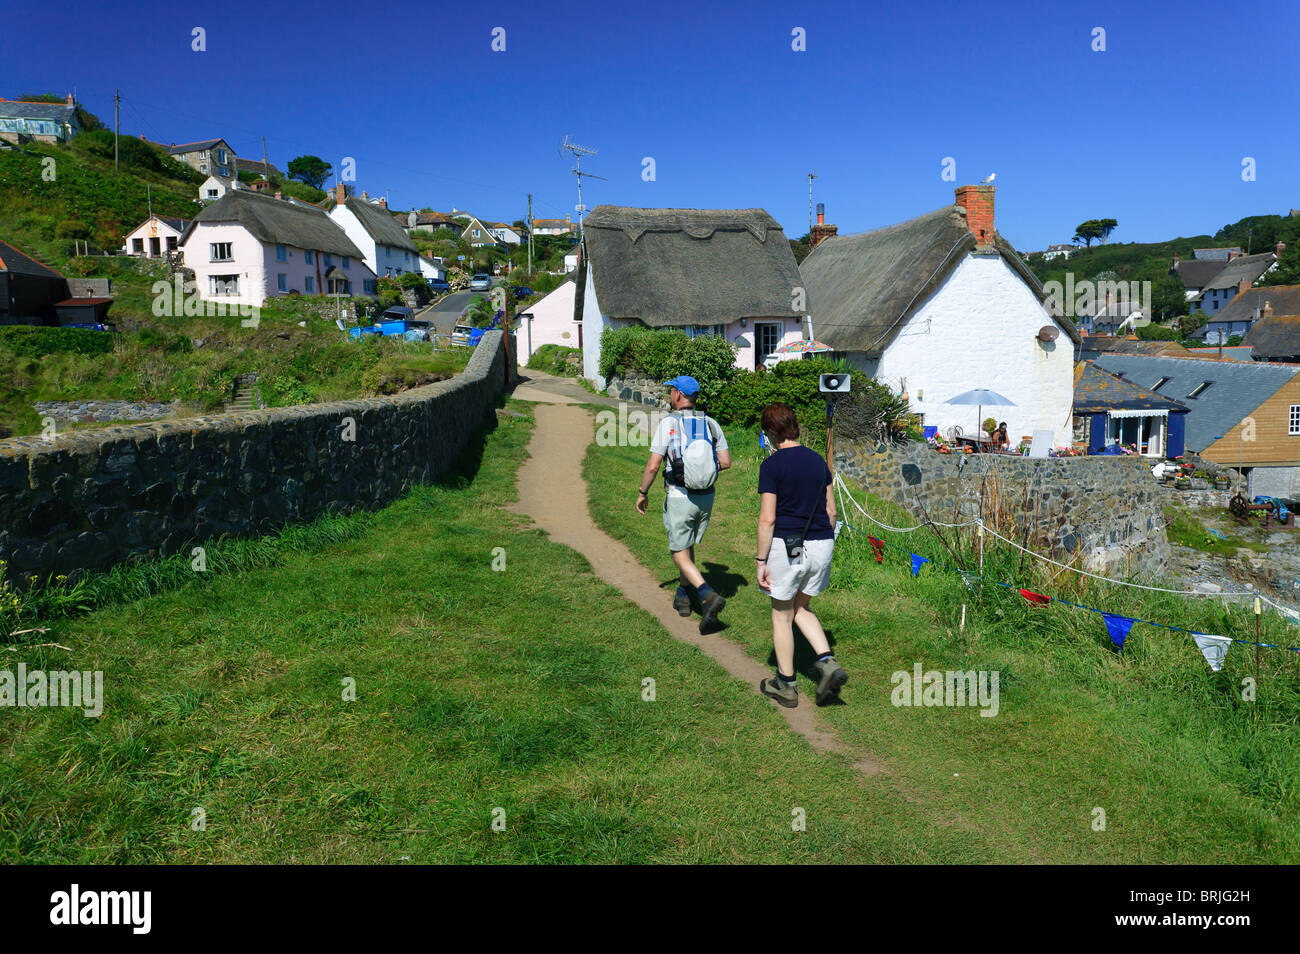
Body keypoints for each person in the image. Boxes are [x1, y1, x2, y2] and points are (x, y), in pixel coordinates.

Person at [754, 402, 847, 708]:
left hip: (787, 545)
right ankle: (827, 663)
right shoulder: (819, 461)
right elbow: (831, 512)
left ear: (770, 432)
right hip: (822, 543)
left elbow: (767, 519)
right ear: (794, 426)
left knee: (781, 615)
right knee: (801, 608)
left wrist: (760, 561)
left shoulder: (771, 466)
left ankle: (786, 684)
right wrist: (820, 541)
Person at [636, 376, 732, 633]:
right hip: (706, 496)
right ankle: (683, 595)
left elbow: (653, 465)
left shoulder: (669, 423)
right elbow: (725, 462)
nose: (670, 393)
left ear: (678, 394)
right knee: (687, 544)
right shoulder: (710, 423)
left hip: (680, 495)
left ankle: (707, 595)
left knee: (678, 552)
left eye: (671, 390)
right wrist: (701, 473)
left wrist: (643, 492)